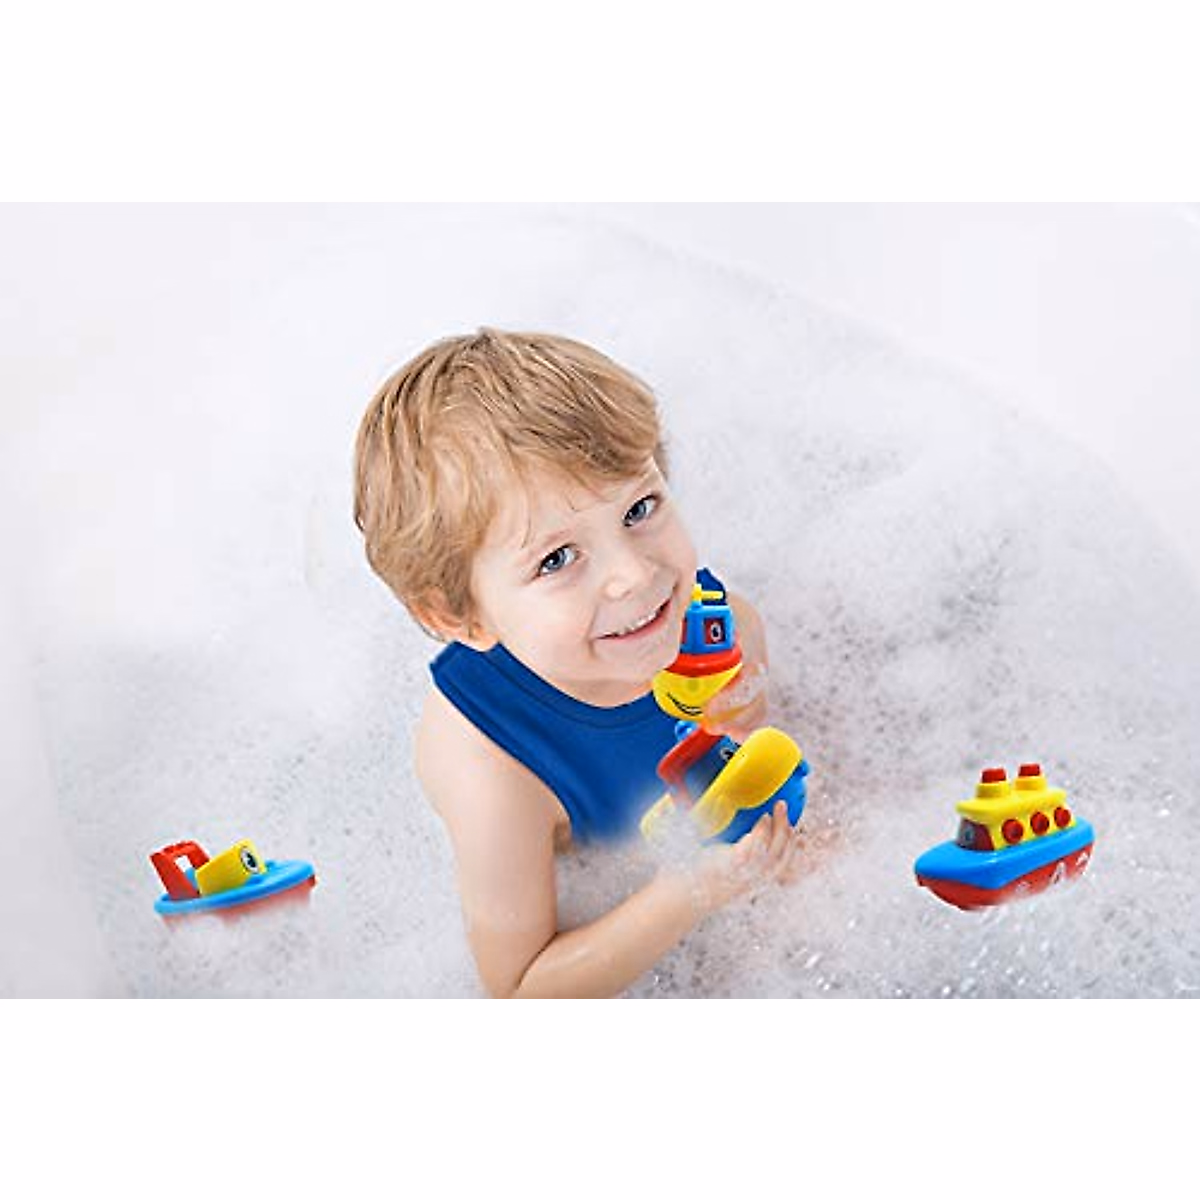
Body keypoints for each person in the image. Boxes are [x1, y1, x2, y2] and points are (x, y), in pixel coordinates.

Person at [353, 328, 801, 997]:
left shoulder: (700, 621)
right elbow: (519, 987)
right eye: (556, 559)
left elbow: (745, 709)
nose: (636, 574)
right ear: (459, 618)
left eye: (639, 508)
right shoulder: (492, 768)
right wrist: (689, 893)